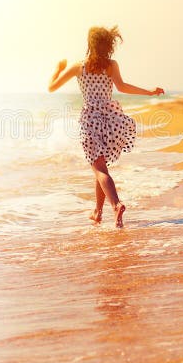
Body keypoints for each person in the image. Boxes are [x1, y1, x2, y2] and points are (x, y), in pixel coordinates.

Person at [48, 26, 165, 228]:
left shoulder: (79, 67)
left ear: (90, 44)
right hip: (111, 119)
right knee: (101, 166)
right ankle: (97, 212)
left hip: (90, 121)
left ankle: (116, 205)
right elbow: (123, 87)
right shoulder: (111, 65)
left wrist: (58, 69)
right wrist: (149, 92)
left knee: (99, 170)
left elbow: (51, 87)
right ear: (108, 45)